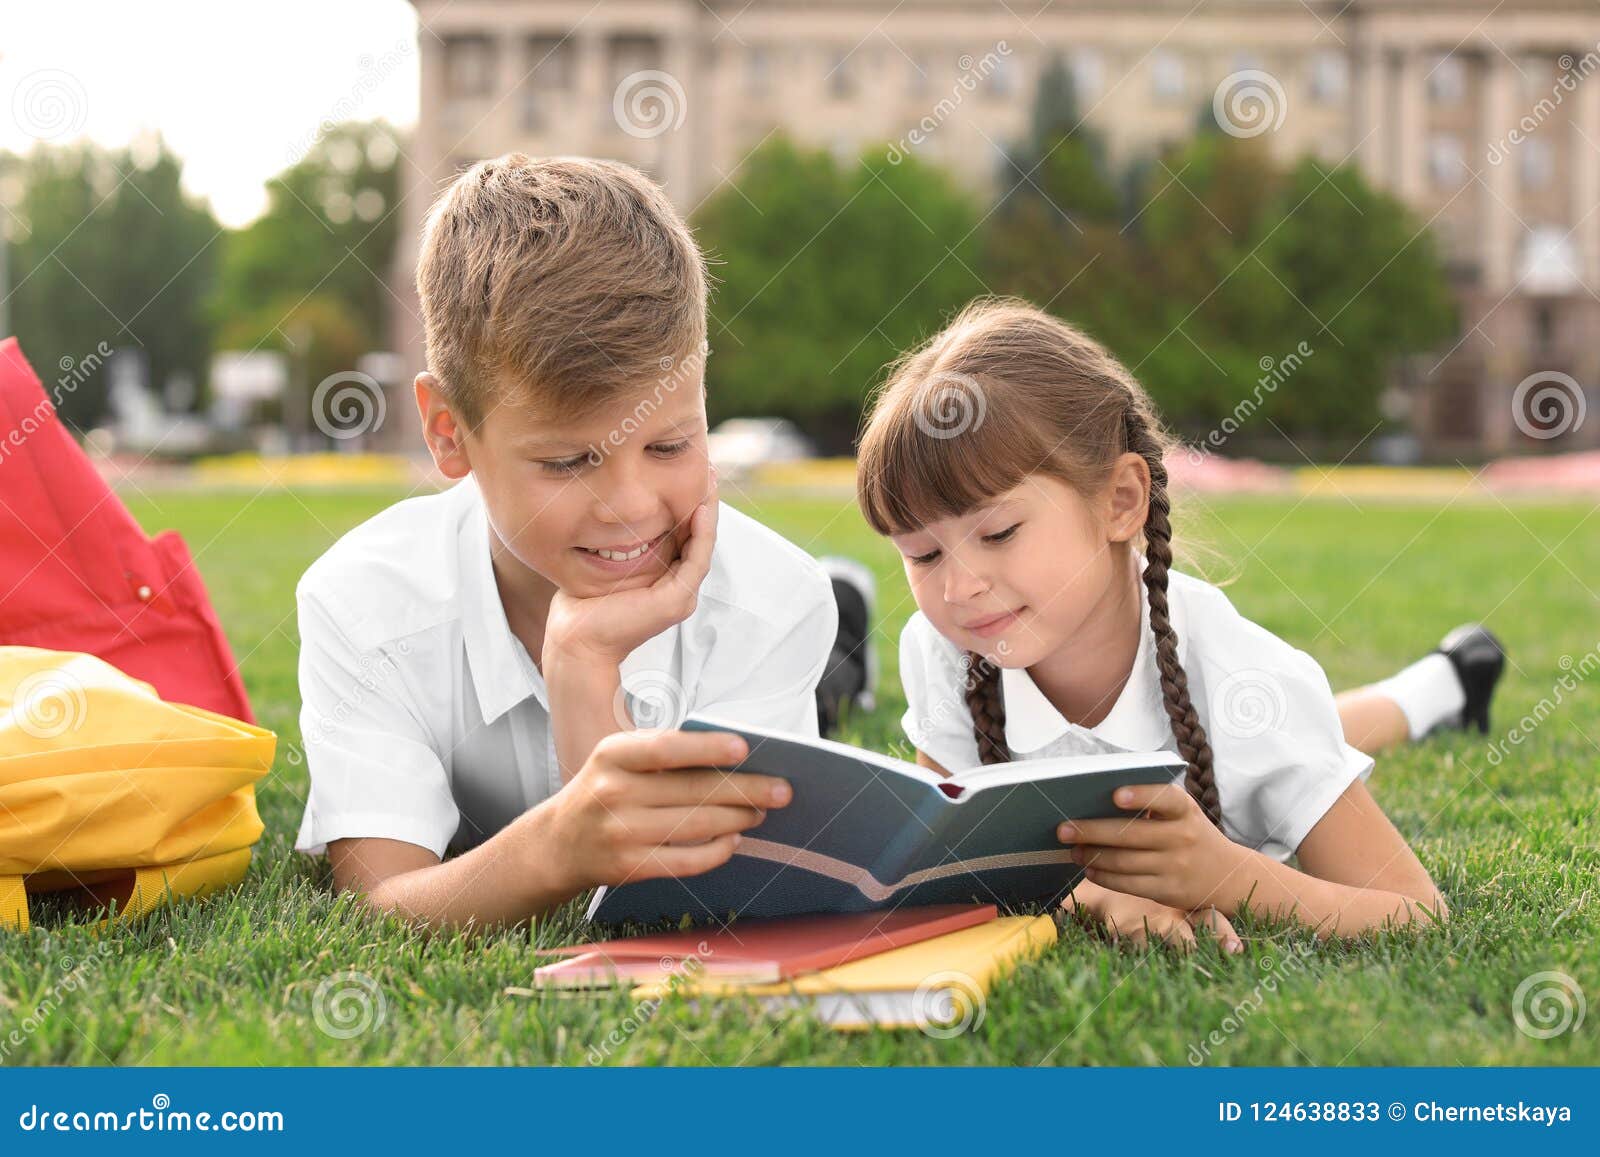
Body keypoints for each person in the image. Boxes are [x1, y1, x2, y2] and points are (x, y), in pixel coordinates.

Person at [293, 155, 870, 931]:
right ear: (448, 433)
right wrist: (559, 843)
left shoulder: (772, 600)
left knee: (824, 707)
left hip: (766, 640)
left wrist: (584, 669)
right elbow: (380, 905)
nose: (630, 508)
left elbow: (724, 899)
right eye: (568, 463)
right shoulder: (362, 604)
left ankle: (843, 643)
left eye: (669, 445)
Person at [855, 298, 1504, 951]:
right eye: (923, 553)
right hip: (1241, 724)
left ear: (1120, 501)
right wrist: (1096, 895)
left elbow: (1416, 914)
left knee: (1312, 729)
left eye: (998, 531)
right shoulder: (946, 646)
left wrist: (1227, 874)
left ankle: (1442, 681)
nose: (959, 584)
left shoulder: (1245, 687)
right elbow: (951, 858)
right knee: (1324, 725)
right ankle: (1446, 676)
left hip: (1253, 715)